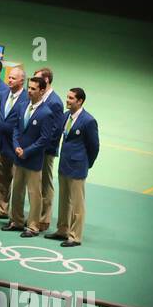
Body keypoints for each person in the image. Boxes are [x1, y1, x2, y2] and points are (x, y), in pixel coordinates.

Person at [5, 76, 59, 237]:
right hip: (19, 156)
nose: (29, 90)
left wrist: (26, 151)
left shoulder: (46, 113)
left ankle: (33, 226)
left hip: (33, 160)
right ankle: (16, 220)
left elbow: (44, 139)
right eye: (29, 87)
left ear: (42, 91)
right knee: (17, 190)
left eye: (33, 89)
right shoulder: (22, 106)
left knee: (34, 194)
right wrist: (16, 146)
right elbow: (15, 129)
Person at [46, 87, 99, 247]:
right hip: (64, 165)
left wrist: (86, 163)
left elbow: (94, 146)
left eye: (70, 98)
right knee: (64, 201)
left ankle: (75, 236)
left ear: (80, 101)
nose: (67, 100)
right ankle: (62, 230)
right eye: (67, 97)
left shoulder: (88, 121)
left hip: (78, 168)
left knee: (77, 204)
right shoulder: (65, 116)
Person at [0, 66, 27, 218]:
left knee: (17, 182)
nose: (9, 80)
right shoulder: (3, 94)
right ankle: (1, 209)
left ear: (22, 81)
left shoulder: (27, 98)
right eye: (9, 77)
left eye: (13, 78)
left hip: (17, 146)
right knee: (1, 177)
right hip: (1, 143)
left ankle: (16, 215)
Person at [32, 66, 64, 230]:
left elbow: (55, 130)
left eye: (36, 77)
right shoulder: (39, 98)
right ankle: (35, 215)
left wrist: (39, 146)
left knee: (45, 183)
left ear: (45, 81)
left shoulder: (55, 102)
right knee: (35, 183)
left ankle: (44, 219)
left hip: (45, 150)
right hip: (36, 148)